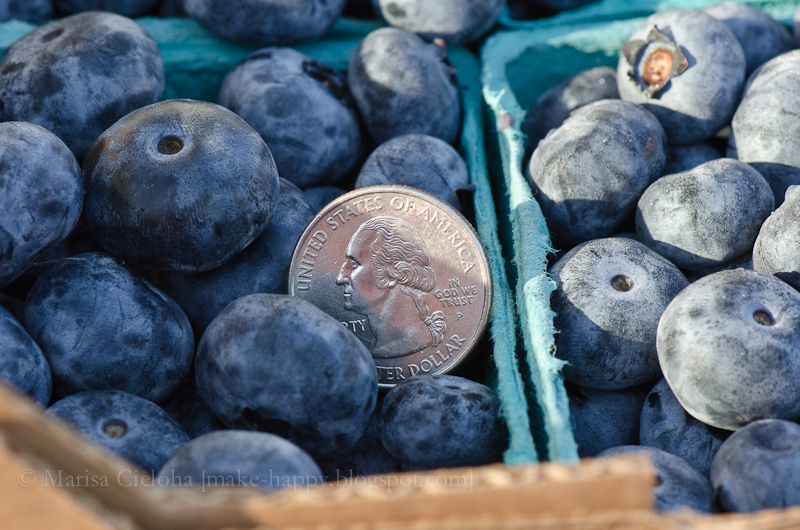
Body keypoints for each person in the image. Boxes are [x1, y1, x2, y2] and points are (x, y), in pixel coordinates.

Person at [336, 216, 446, 359]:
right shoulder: (376, 350)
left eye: (354, 265)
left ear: (394, 273)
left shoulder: (410, 344)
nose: (340, 278)